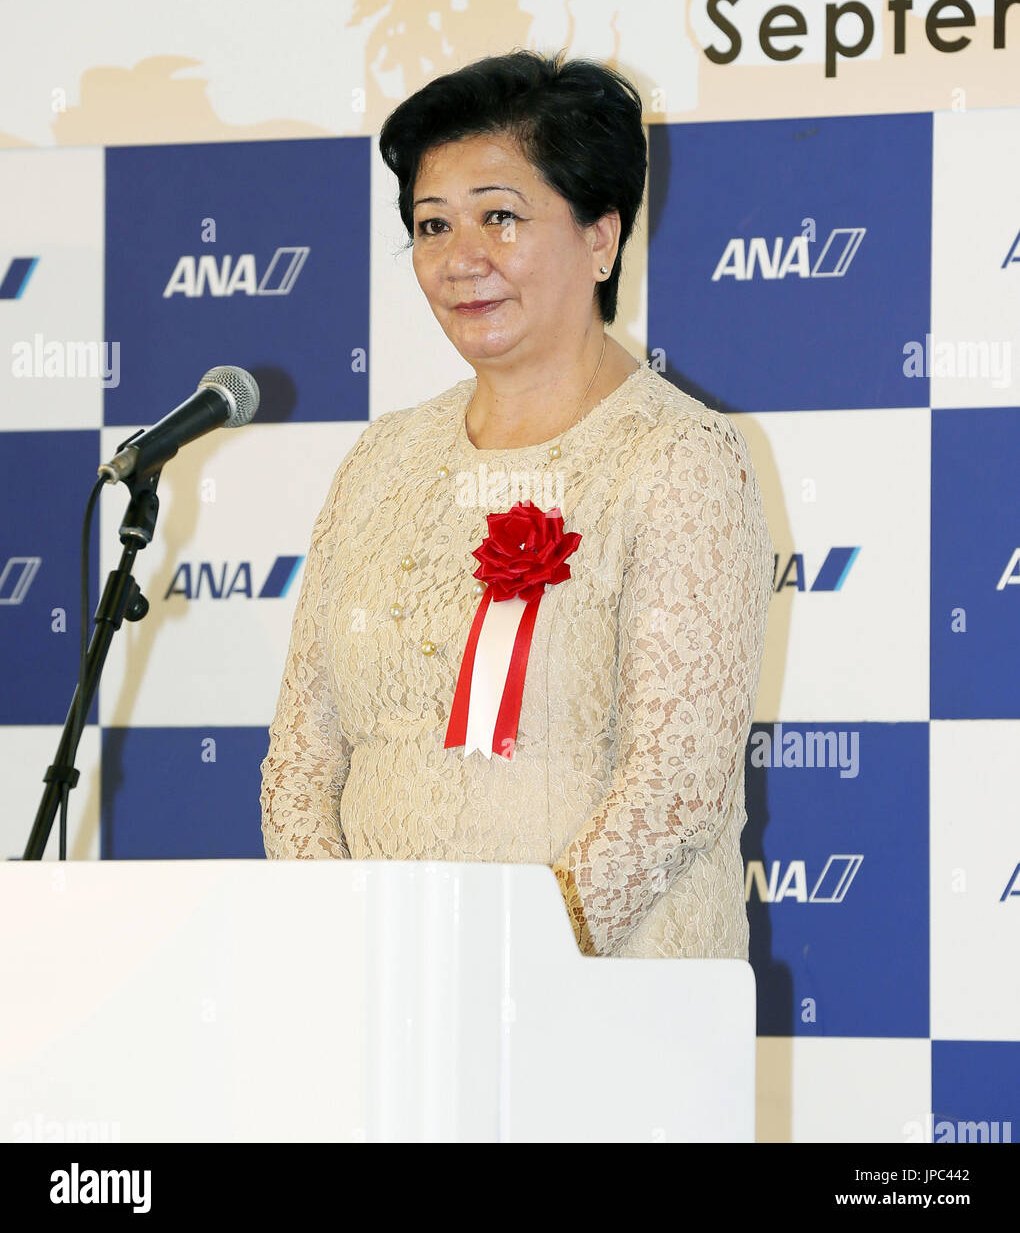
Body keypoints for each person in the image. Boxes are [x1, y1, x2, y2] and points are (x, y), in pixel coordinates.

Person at [259, 50, 772, 959]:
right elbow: (304, 751)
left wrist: (513, 960)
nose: (462, 260)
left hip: (596, 999)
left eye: (500, 216)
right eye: (431, 225)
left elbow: (674, 785)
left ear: (601, 237)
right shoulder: (382, 460)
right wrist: (344, 940)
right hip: (384, 988)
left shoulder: (679, 457)